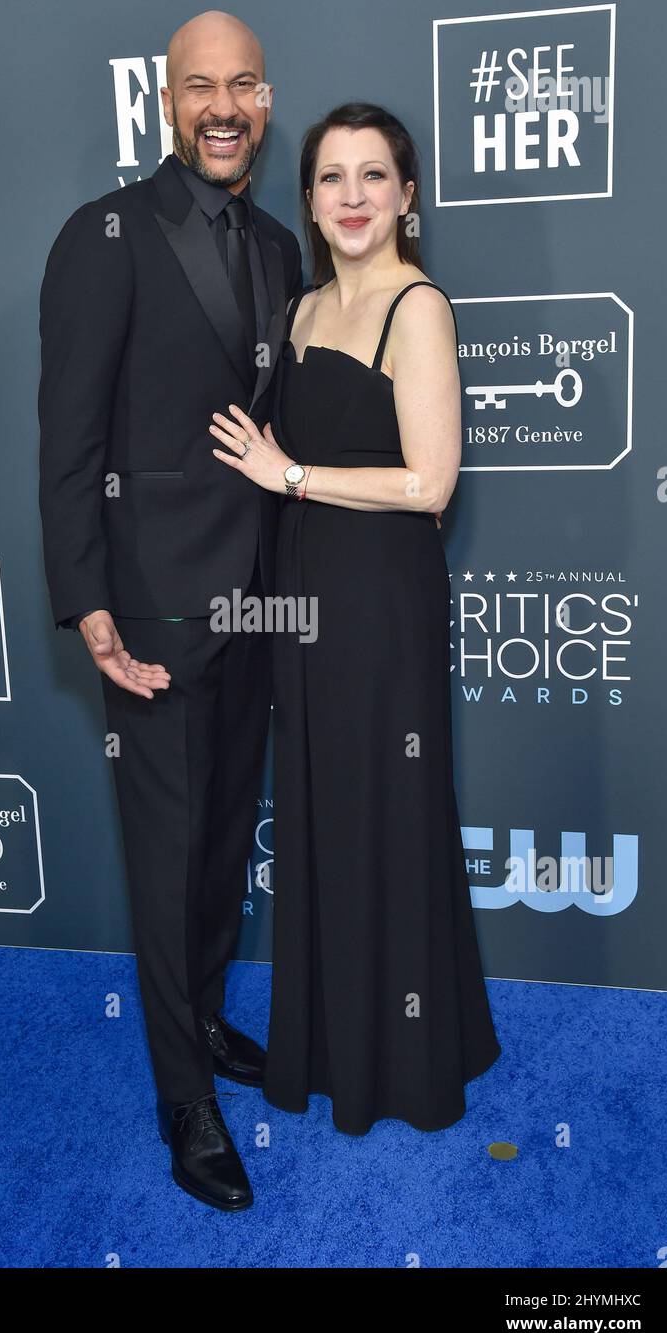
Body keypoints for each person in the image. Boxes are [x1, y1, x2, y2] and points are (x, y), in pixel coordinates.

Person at [38, 11, 302, 1210]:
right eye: (201, 87)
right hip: (149, 610)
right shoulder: (104, 235)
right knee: (165, 854)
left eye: (242, 85)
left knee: (219, 840)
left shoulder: (280, 246)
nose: (223, 107)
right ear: (166, 103)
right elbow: (68, 438)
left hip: (258, 606)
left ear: (264, 99)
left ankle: (200, 1016)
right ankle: (182, 1098)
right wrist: (87, 601)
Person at [209, 102, 502, 1136]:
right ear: (308, 197)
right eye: (331, 177)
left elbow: (430, 483)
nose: (351, 196)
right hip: (303, 596)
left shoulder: (416, 307)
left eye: (373, 175)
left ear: (406, 195)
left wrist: (287, 473)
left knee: (387, 802)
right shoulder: (298, 309)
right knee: (322, 807)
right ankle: (333, 1040)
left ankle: (407, 1058)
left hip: (380, 599)